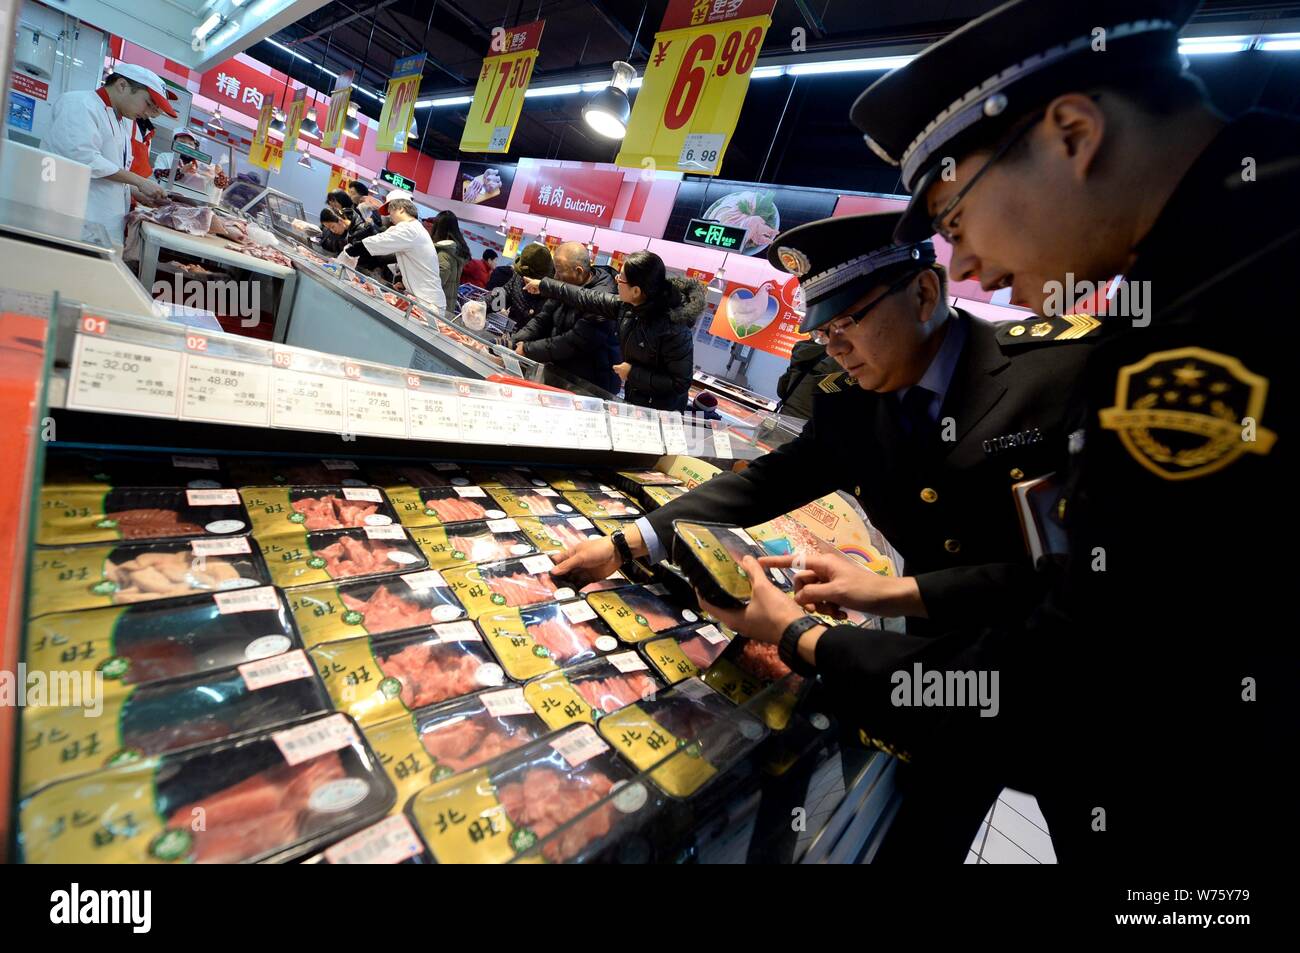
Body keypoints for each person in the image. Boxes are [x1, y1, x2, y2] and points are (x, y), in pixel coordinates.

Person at [711, 0, 1293, 862]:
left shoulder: (1213, 318)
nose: (966, 264)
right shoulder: (1230, 250)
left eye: (953, 221)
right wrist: (900, 595)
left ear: (1071, 133)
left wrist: (803, 637)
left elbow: (1072, 670)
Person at [550, 212, 1094, 639]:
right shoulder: (849, 403)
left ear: (925, 294)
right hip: (920, 646)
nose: (834, 351)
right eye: (822, 333)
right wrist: (627, 544)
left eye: (845, 326)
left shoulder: (1060, 375)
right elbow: (764, 484)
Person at [522, 250, 702, 411]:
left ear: (636, 291)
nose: (616, 280)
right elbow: (585, 297)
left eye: (621, 278)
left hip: (662, 414)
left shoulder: (674, 329)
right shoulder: (628, 307)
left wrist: (633, 373)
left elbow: (681, 382)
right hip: (635, 401)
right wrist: (544, 285)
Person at [45, 63, 171, 241]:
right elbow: (84, 158)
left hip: (101, 228)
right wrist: (139, 181)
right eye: (148, 104)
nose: (147, 114)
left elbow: (111, 169)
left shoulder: (120, 122)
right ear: (122, 85)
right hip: (76, 224)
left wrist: (134, 192)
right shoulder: (80, 104)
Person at [510, 241, 622, 393]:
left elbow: (573, 342)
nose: (555, 276)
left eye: (560, 271)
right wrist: (513, 342)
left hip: (591, 386)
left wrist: (528, 349)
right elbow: (542, 320)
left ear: (579, 271)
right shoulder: (563, 286)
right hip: (561, 375)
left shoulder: (603, 298)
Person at [347, 191, 446, 316]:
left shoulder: (409, 229)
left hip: (428, 304)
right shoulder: (414, 228)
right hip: (423, 299)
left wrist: (356, 248)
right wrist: (405, 283)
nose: (389, 216)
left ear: (401, 208)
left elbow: (381, 241)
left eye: (391, 211)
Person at [488, 243, 554, 330]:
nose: (525, 280)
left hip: (533, 341)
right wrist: (482, 305)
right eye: (523, 276)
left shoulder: (554, 292)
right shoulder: (518, 277)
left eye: (529, 279)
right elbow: (499, 297)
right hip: (510, 334)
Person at [776, 339, 837, 419]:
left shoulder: (802, 348)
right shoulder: (842, 360)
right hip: (811, 425)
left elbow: (781, 389)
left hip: (784, 416)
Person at [428, 210, 471, 310]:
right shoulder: (456, 252)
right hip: (447, 308)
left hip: (435, 308)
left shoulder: (444, 254)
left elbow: (433, 286)